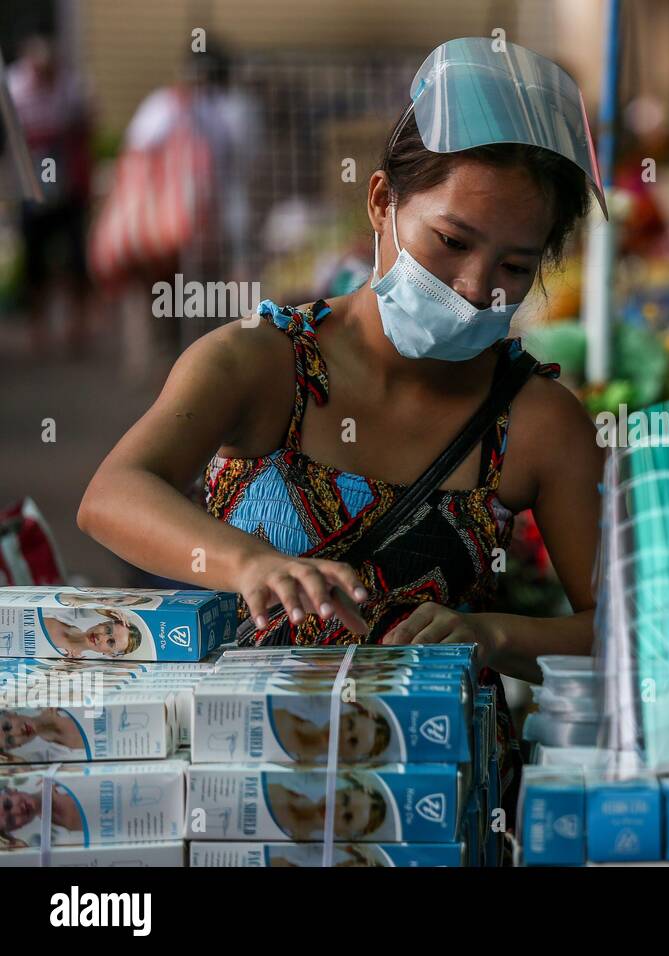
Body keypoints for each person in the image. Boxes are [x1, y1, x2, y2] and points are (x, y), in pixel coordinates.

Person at [78, 39, 608, 816]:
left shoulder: (537, 423)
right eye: (452, 242)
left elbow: (623, 631)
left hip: (429, 808)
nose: (473, 288)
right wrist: (248, 564)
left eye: (515, 268)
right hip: (237, 799)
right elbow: (112, 495)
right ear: (382, 202)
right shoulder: (259, 364)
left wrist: (494, 635)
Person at [5, 34, 94, 354]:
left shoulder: (71, 86)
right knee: (35, 260)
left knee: (75, 257)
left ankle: (77, 328)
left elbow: (86, 126)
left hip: (66, 180)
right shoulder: (13, 86)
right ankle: (38, 330)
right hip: (31, 180)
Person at [265, 774, 387, 841]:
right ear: (339, 790)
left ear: (343, 834)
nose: (336, 808)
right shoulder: (283, 782)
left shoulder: (297, 858)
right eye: (344, 799)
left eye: (347, 817)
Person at [41, 608, 142, 659]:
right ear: (103, 623)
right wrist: (105, 609)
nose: (101, 637)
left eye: (110, 642)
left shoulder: (65, 665)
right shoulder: (67, 611)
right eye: (108, 630)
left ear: (109, 654)